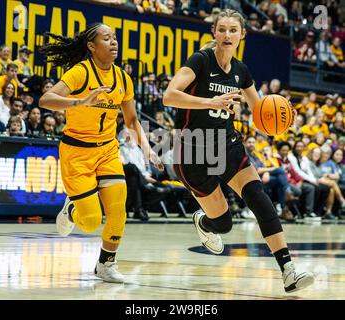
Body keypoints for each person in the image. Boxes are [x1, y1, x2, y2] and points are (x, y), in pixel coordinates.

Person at [163, 9, 314, 293]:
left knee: (259, 198)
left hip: (228, 144)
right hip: (193, 151)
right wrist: (211, 102)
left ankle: (289, 271)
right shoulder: (200, 60)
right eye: (222, 29)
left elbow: (260, 113)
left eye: (233, 30)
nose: (227, 35)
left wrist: (283, 115)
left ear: (242, 34)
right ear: (214, 33)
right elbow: (169, 95)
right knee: (223, 224)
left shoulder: (241, 71)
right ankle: (205, 222)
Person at [39, 23, 163, 283]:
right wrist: (80, 101)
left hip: (107, 150)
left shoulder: (122, 78)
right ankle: (72, 209)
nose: (113, 42)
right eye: (106, 38)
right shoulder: (80, 72)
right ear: (92, 47)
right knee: (91, 221)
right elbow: (46, 100)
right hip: (77, 152)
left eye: (115, 38)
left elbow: (131, 121)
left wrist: (148, 148)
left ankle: (106, 265)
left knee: (118, 211)